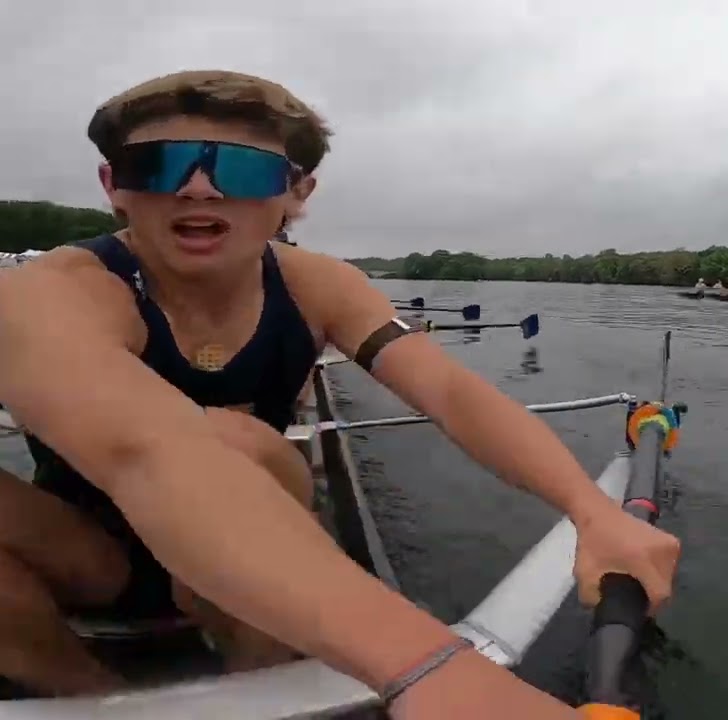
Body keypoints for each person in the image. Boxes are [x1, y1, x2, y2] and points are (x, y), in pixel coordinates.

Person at [0, 70, 679, 719]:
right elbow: (145, 449)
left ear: (297, 194)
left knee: (238, 441)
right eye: (157, 167)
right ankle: (83, 694)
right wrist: (427, 663)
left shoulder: (318, 285)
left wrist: (591, 511)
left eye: (239, 170)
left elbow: (446, 389)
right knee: (208, 438)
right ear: (112, 186)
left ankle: (257, 671)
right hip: (94, 562)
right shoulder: (51, 292)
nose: (198, 191)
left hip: (260, 560)